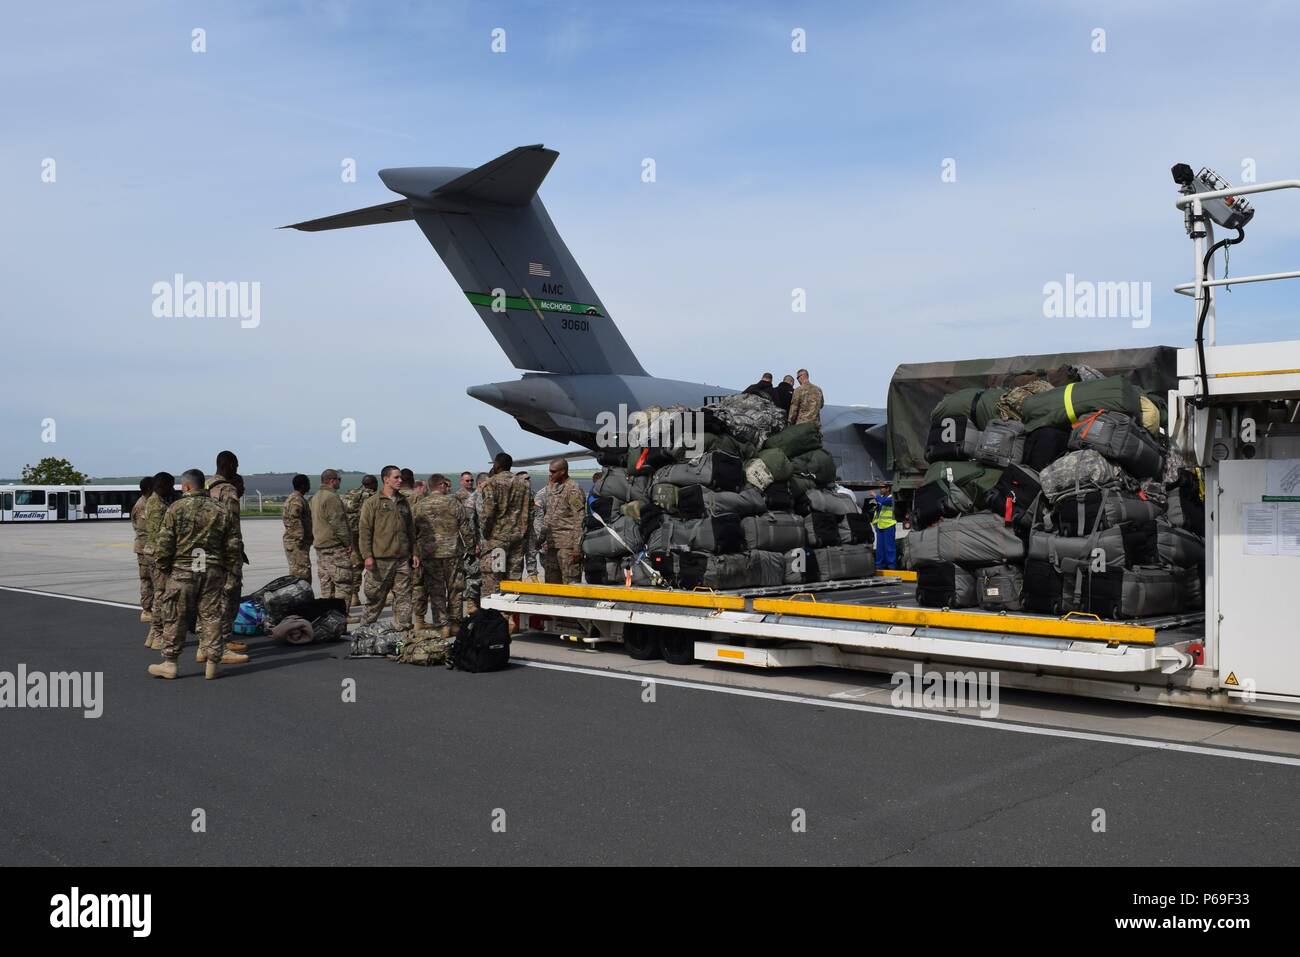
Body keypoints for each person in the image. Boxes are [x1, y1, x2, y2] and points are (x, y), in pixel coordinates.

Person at [148, 469, 245, 680]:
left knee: (176, 616)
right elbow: (233, 544)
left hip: (183, 571)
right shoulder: (221, 509)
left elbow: (164, 544)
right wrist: (229, 568)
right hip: (211, 571)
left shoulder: (176, 508)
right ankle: (212, 663)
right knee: (211, 616)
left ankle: (170, 663)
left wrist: (164, 568)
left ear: (186, 486)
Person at [413, 474, 474, 638]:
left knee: (436, 591)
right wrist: (472, 546)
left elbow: (413, 532)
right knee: (455, 588)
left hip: (430, 554)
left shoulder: (420, 505)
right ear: (440, 485)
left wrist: (416, 552)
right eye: (445, 484)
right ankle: (455, 623)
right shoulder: (453, 502)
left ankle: (442, 625)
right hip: (452, 553)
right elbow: (465, 527)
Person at [358, 465, 419, 629]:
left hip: (402, 560)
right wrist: (367, 556)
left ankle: (403, 633)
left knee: (404, 597)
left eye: (401, 478)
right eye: (396, 477)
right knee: (375, 598)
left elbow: (410, 530)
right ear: (386, 480)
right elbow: (365, 531)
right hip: (380, 560)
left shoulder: (403, 502)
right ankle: (364, 631)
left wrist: (414, 552)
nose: (400, 480)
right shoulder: (372, 503)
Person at [207, 451, 249, 657]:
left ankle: (205, 644)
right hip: (226, 553)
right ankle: (222, 643)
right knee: (229, 594)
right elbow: (231, 527)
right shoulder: (227, 490)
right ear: (230, 465)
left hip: (205, 552)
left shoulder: (204, 486)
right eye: (236, 465)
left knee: (208, 597)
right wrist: (236, 555)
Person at [478, 452, 531, 599]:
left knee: (494, 577)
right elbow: (528, 511)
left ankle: (494, 617)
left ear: (497, 465)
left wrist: (485, 533)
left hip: (497, 539)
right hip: (517, 538)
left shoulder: (491, 483)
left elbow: (488, 513)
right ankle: (511, 617)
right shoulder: (524, 484)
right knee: (514, 579)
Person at [142, 471, 176, 650]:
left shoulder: (157, 502)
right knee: (161, 595)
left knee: (159, 594)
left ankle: (153, 634)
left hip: (154, 552)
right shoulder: (157, 505)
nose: (172, 489)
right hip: (158, 554)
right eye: (170, 485)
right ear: (161, 486)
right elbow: (158, 535)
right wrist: (166, 557)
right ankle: (157, 634)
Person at [539, 459, 585, 584]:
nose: (550, 475)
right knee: (551, 584)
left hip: (568, 547)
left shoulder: (573, 490)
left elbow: (579, 518)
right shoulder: (555, 489)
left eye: (553, 472)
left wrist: (577, 547)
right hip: (553, 545)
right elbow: (548, 516)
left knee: (570, 583)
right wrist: (541, 538)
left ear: (563, 471)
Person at [311, 469, 354, 604]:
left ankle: (328, 616)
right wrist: (348, 543)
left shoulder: (316, 496)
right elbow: (338, 524)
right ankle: (341, 616)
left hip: (321, 546)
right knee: (343, 583)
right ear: (331, 481)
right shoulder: (331, 497)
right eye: (339, 479)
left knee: (326, 584)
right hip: (334, 547)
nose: (340, 482)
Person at [399, 469, 428, 627]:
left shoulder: (394, 498)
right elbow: (421, 523)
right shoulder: (417, 497)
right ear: (412, 480)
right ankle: (419, 620)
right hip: (416, 545)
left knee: (401, 586)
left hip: (398, 547)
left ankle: (403, 620)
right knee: (418, 585)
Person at [344, 474, 378, 607]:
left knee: (355, 564)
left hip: (353, 533)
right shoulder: (374, 496)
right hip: (370, 534)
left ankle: (353, 596)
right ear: (374, 484)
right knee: (374, 563)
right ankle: (376, 595)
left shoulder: (351, 494)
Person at [282, 474, 314, 584]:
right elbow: (295, 521)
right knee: (301, 574)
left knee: (300, 572)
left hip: (297, 542)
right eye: (308, 483)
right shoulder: (296, 500)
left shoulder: (297, 498)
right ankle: (301, 599)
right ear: (303, 485)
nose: (309, 486)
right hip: (297, 543)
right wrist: (300, 539)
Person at [131, 476, 155, 623]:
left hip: (147, 547)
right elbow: (144, 530)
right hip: (146, 548)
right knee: (147, 579)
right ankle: (147, 610)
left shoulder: (148, 503)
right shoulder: (143, 505)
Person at [871, 484, 897, 570]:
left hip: (889, 525)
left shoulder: (891, 498)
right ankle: (879, 565)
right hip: (880, 525)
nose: (880, 489)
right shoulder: (881, 498)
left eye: (882, 488)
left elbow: (884, 501)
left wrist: (875, 496)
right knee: (880, 548)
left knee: (889, 547)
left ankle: (891, 566)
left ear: (888, 489)